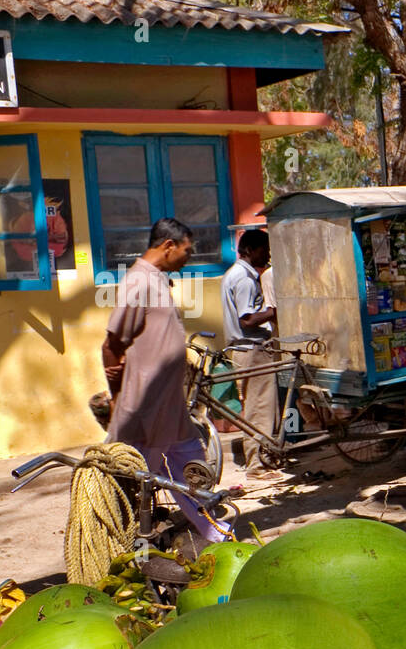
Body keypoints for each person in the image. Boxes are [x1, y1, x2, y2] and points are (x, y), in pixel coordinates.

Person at [101, 218, 226, 545]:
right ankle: (123, 554)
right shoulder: (138, 281)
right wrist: (117, 399)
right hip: (147, 409)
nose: (189, 256)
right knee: (134, 490)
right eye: (187, 249)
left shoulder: (158, 280)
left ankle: (218, 536)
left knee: (194, 476)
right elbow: (112, 345)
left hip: (171, 409)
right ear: (168, 246)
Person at [220, 229, 281, 480]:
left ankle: (263, 457)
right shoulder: (244, 278)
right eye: (265, 249)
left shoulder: (234, 274)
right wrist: (274, 312)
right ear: (251, 250)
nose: (267, 255)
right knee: (260, 409)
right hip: (252, 349)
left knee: (256, 407)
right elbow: (247, 319)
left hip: (244, 350)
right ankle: (257, 466)